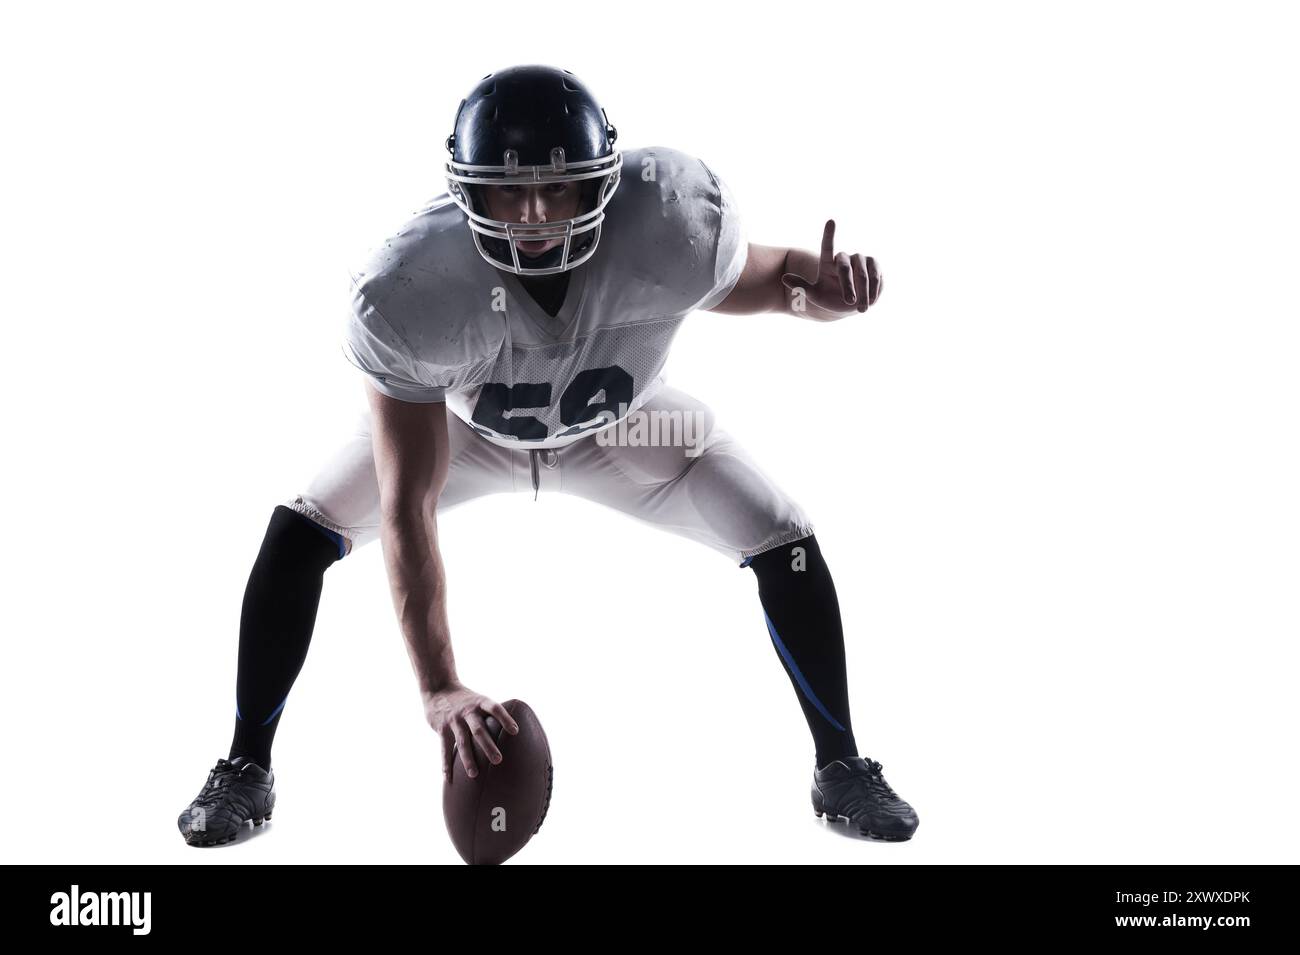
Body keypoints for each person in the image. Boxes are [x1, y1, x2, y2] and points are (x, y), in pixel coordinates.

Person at [178, 64, 919, 849]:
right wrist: (438, 686)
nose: (533, 212)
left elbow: (766, 280)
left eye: (558, 188)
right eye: (507, 190)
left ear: (601, 182)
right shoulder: (408, 290)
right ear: (466, 190)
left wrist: (818, 293)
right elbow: (406, 503)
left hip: (625, 426)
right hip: (468, 432)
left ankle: (842, 767)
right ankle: (244, 767)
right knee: (300, 534)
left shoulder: (671, 223)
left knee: (783, 535)